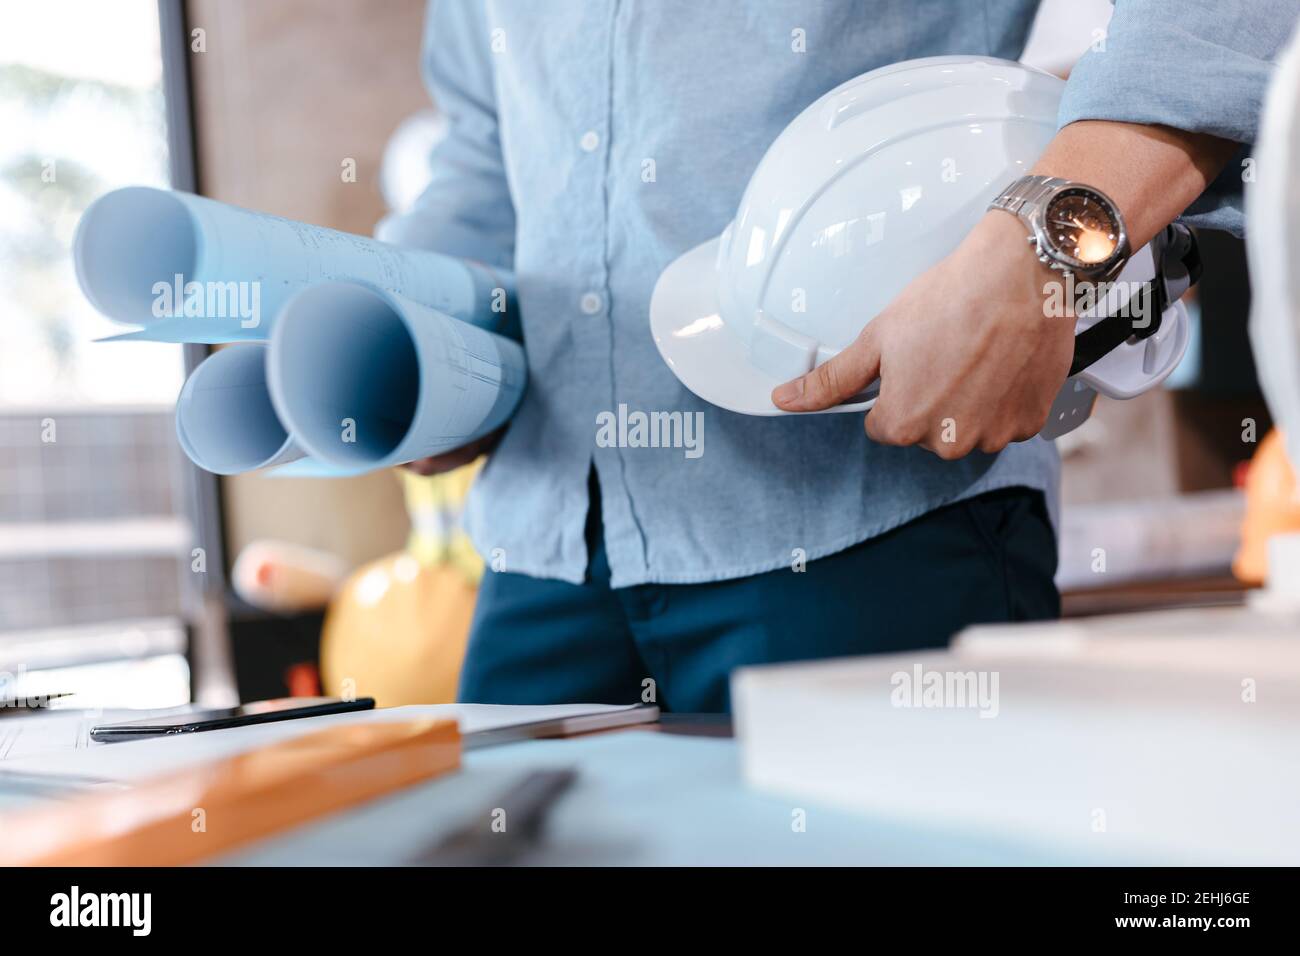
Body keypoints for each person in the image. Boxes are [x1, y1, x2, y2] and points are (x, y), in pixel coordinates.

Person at [382, 0, 1300, 712]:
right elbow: (486, 142)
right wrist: (415, 351)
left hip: (874, 517)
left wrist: (1042, 252)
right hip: (546, 545)